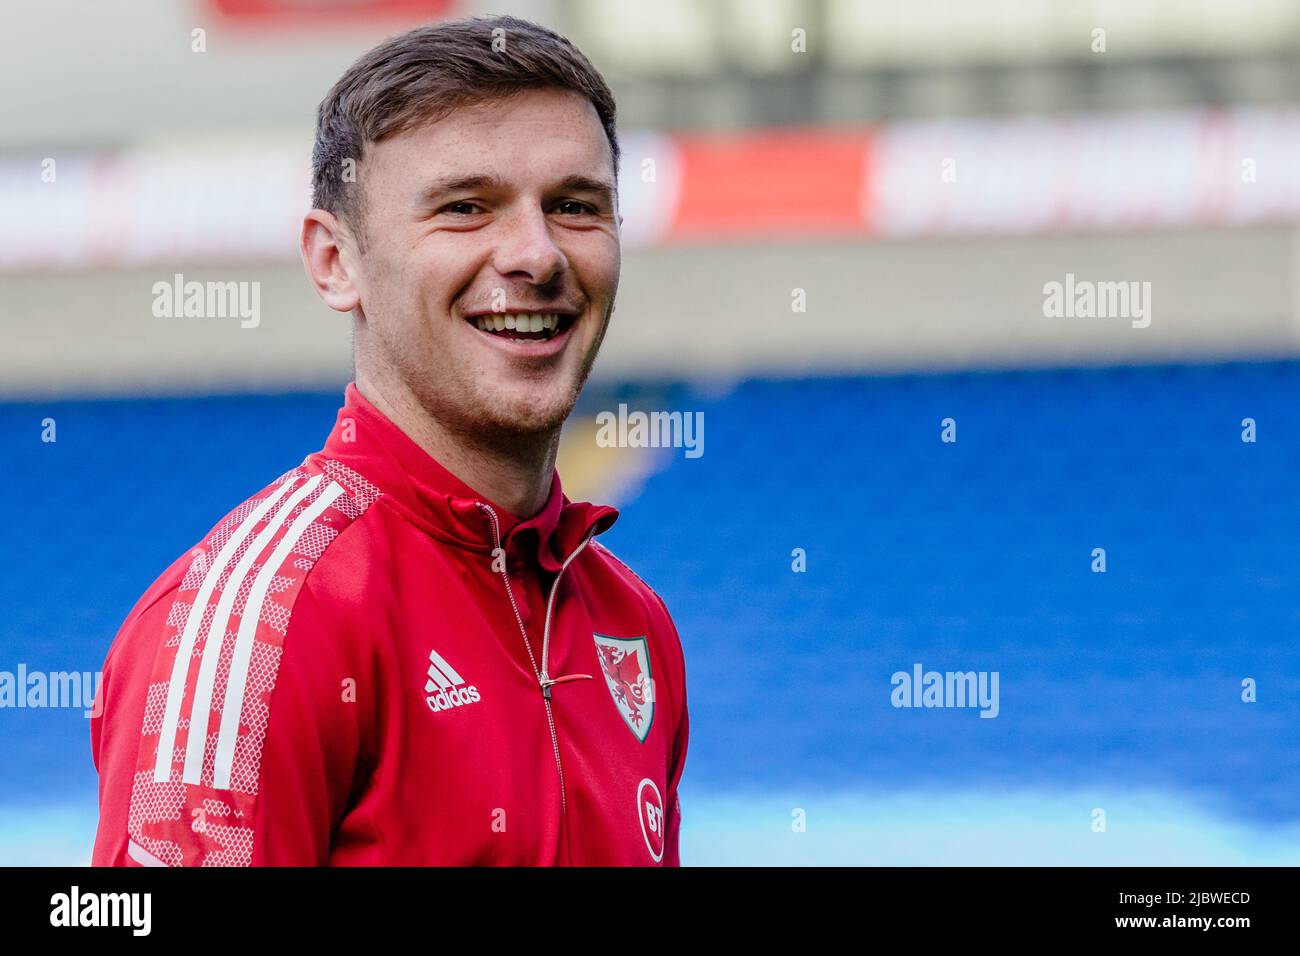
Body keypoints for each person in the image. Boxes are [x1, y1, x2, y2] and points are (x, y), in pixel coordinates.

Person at [90, 14, 688, 866]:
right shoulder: (261, 622)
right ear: (337, 262)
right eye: (465, 207)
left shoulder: (636, 625)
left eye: (575, 205)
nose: (537, 253)